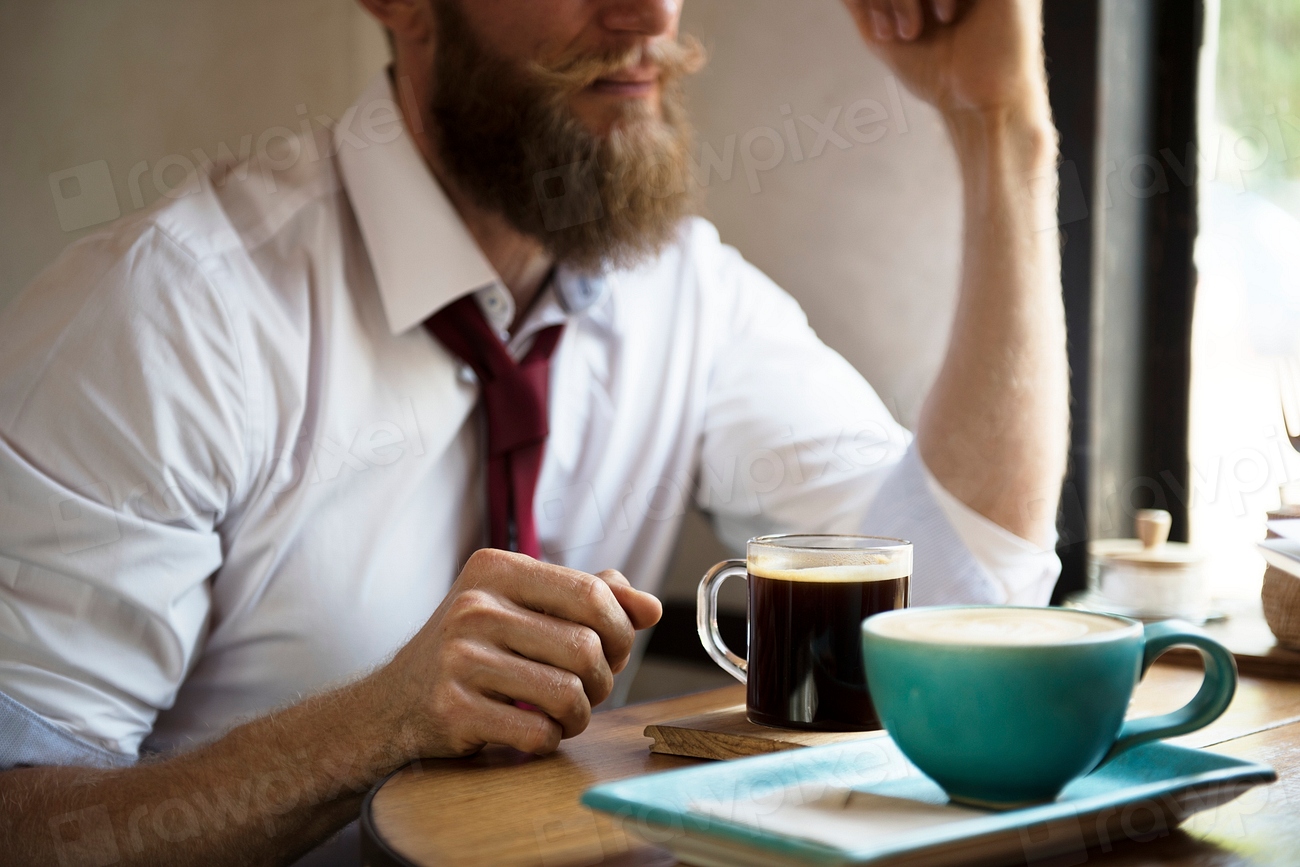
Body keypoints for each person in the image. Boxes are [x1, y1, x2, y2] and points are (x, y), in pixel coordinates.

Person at [0, 0, 1068, 863]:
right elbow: (23, 825)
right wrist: (371, 728)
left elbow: (965, 603)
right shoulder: (167, 317)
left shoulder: (686, 294)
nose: (648, 16)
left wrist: (1001, 124)